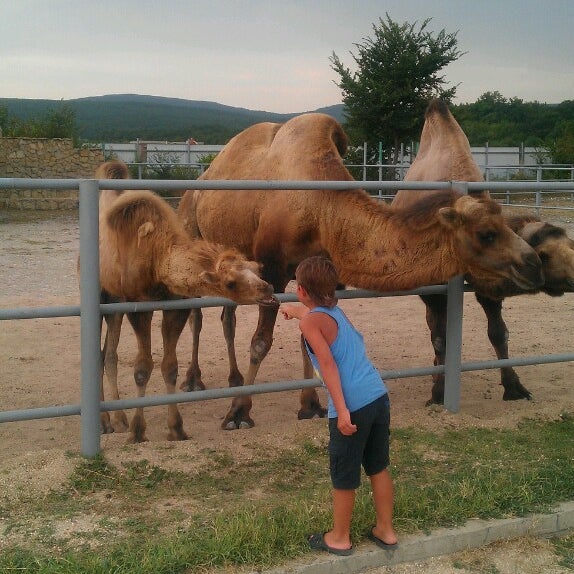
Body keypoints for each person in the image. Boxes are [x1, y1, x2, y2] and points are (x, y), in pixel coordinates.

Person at [280, 256, 398, 556]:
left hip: (351, 405)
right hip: (376, 397)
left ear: (302, 290)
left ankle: (339, 537)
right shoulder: (334, 311)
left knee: (343, 473)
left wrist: (342, 411)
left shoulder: (311, 321)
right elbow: (316, 320)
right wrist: (296, 313)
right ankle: (386, 530)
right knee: (378, 466)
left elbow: (329, 365)